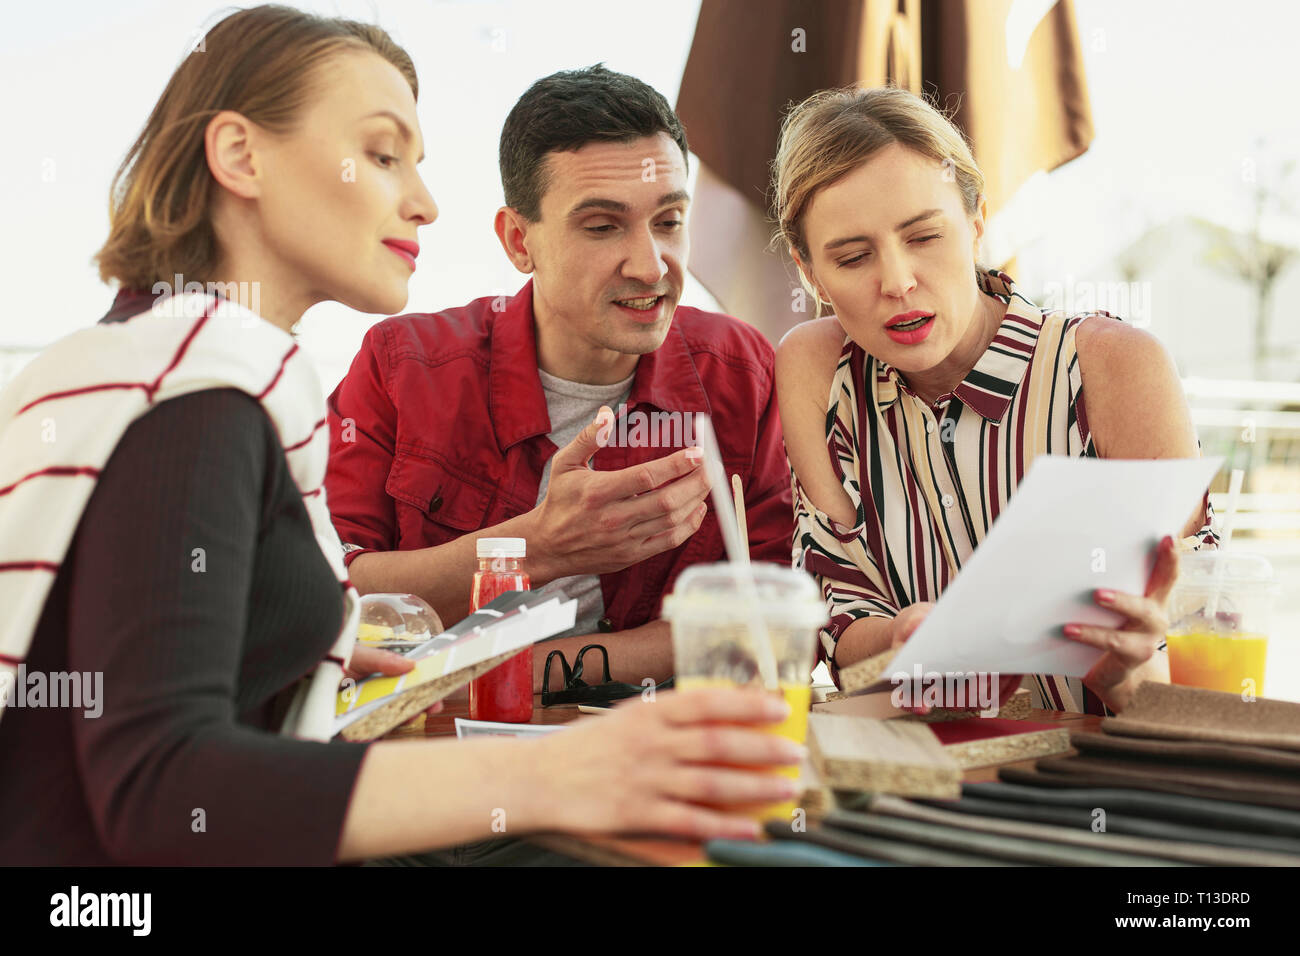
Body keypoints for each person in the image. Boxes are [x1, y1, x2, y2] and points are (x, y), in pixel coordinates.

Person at [0, 5, 802, 866]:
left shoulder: (122, 355)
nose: (422, 202)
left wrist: (322, 654)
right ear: (241, 155)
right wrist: (568, 771)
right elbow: (165, 793)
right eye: (382, 156)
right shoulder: (201, 384)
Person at [325, 65, 793, 692]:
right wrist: (536, 546)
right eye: (603, 227)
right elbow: (324, 599)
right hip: (441, 753)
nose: (650, 265)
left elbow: (775, 616)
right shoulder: (402, 364)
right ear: (519, 241)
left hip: (650, 756)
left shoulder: (742, 372)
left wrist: (519, 673)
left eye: (669, 221)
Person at [772, 86, 1216, 716]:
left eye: (925, 236)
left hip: (1108, 789)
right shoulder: (820, 374)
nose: (897, 282)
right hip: (920, 783)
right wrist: (902, 642)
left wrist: (1126, 673)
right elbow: (842, 623)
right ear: (810, 273)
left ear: (978, 224)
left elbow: (1199, 666)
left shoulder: (1113, 367)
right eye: (852, 256)